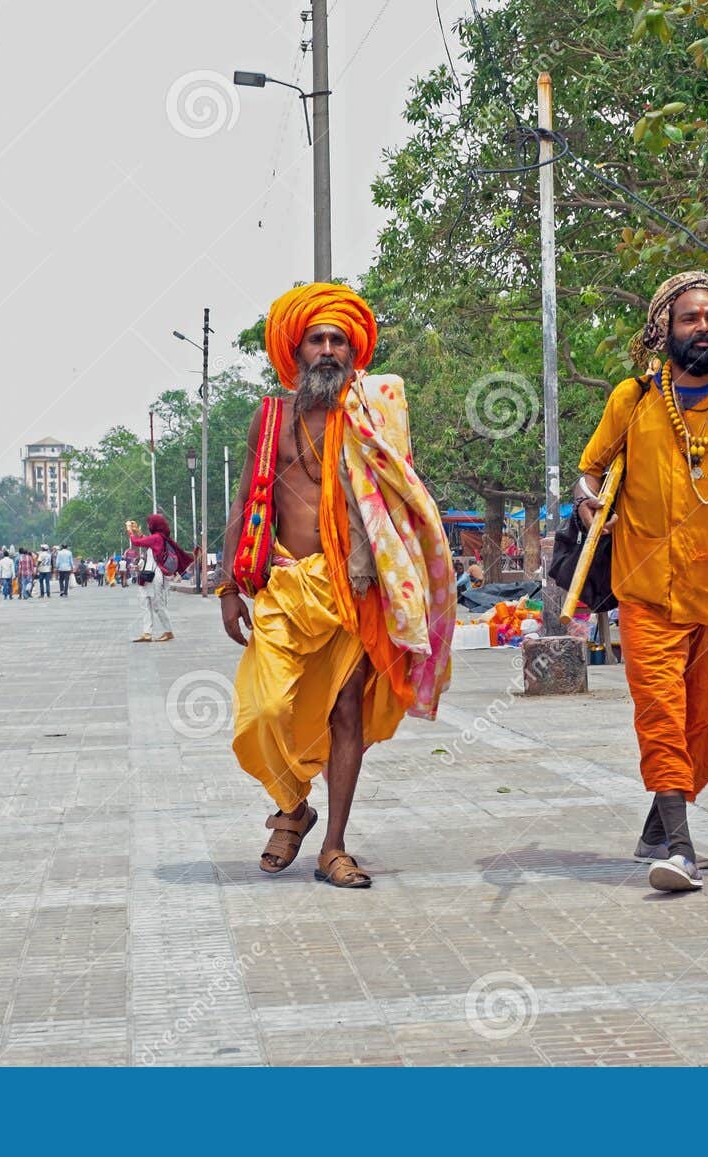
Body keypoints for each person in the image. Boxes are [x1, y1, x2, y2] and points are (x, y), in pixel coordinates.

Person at [217, 282, 453, 888]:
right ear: (295, 350)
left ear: (354, 352)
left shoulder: (372, 419)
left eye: (337, 341)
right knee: (262, 710)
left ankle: (335, 846)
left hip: (353, 587)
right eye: (316, 340)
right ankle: (293, 807)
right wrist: (226, 585)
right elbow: (245, 501)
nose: (327, 350)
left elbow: (399, 499)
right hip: (284, 589)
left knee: (346, 712)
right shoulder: (268, 420)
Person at [573, 271, 708, 893]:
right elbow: (589, 472)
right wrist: (590, 505)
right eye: (689, 318)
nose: (702, 328)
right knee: (662, 715)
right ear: (664, 328)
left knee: (705, 725)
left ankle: (655, 829)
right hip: (647, 592)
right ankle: (682, 853)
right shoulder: (632, 399)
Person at [127, 514, 189, 641]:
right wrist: (137, 531)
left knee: (158, 605)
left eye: (150, 524)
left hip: (154, 576)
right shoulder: (159, 538)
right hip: (148, 575)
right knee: (145, 603)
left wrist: (129, 530)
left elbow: (136, 542)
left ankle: (168, 631)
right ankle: (147, 633)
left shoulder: (157, 538)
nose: (148, 526)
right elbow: (146, 541)